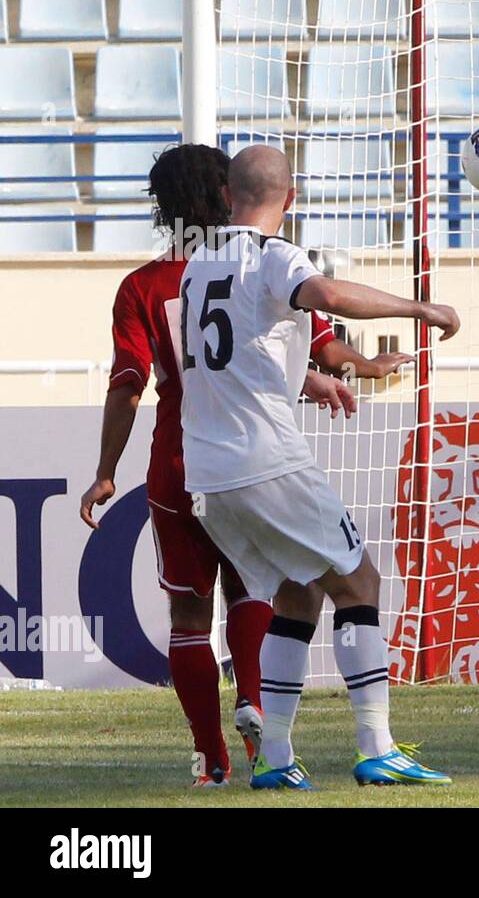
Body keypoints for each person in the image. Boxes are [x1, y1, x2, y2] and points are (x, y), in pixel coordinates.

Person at [78, 144, 407, 788]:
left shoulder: (149, 283)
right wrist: (352, 370)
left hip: (182, 461)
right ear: (225, 194)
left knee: (189, 616)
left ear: (163, 206)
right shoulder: (252, 262)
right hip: (255, 450)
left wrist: (106, 467)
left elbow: (127, 382)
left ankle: (210, 759)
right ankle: (266, 721)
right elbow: (308, 343)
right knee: (271, 591)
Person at [179, 144, 459, 789]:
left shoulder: (198, 267)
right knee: (359, 581)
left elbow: (233, 358)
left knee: (297, 595)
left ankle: (276, 760)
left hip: (210, 474)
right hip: (266, 459)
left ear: (227, 196)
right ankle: (377, 745)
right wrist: (421, 309)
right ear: (291, 197)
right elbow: (324, 292)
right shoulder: (275, 256)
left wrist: (313, 377)